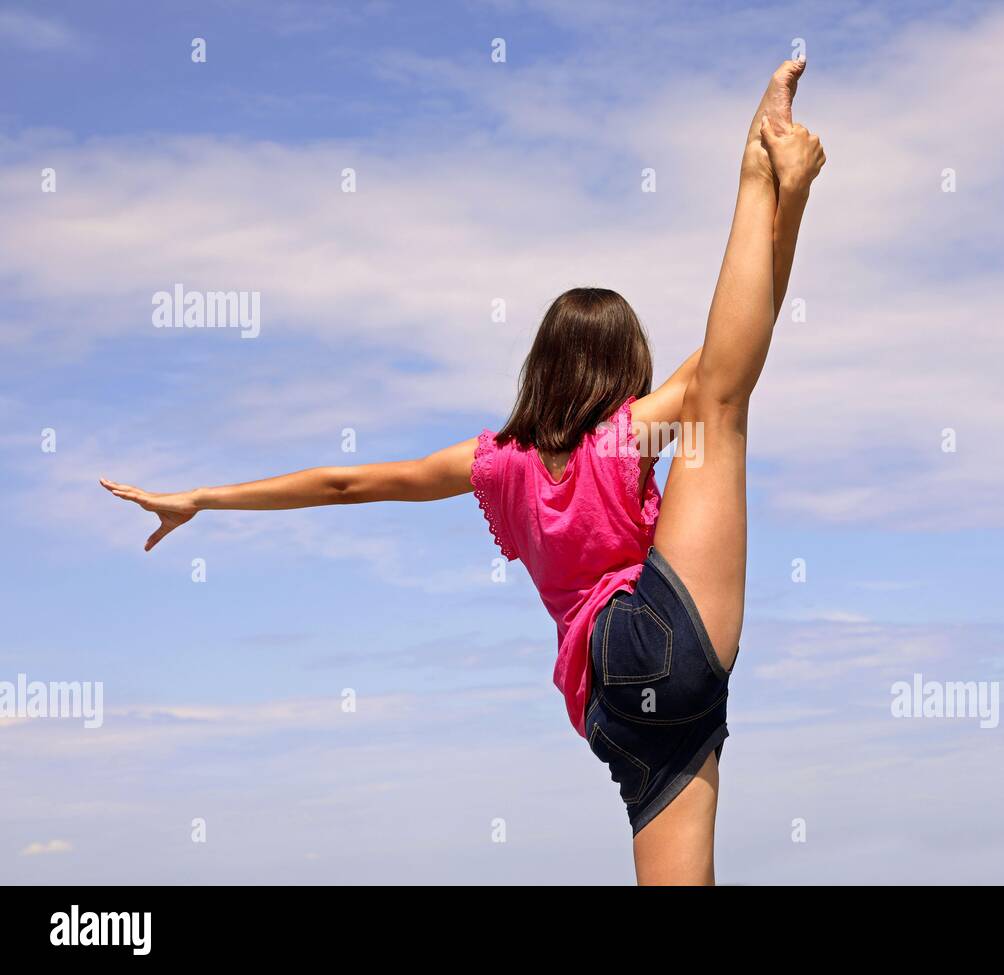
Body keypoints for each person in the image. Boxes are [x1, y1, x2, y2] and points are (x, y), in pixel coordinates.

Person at [102, 59, 825, 885]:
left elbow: (347, 483)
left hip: (611, 704)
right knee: (720, 404)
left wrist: (201, 498)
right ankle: (751, 166)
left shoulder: (496, 464)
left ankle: (761, 173)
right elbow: (739, 347)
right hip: (651, 632)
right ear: (624, 367)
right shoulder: (627, 433)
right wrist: (782, 197)